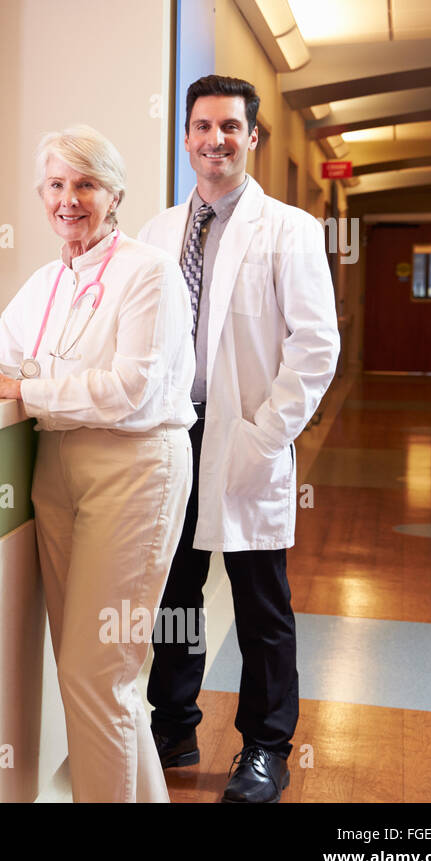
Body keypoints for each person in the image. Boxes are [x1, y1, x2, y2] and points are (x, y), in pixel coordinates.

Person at [0, 125, 195, 802]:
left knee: (97, 673)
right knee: (91, 673)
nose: (69, 199)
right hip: (56, 468)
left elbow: (129, 391)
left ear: (114, 193)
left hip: (134, 468)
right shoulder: (45, 281)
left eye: (85, 183)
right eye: (56, 185)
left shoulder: (148, 272)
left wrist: (22, 384)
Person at [141, 75, 340, 803]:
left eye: (230, 126)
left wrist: (266, 435)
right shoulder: (159, 231)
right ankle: (173, 722)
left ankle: (265, 748)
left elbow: (315, 348)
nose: (215, 139)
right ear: (186, 137)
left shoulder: (289, 228)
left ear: (252, 137)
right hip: (172, 435)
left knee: (261, 601)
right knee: (176, 594)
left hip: (247, 434)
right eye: (202, 126)